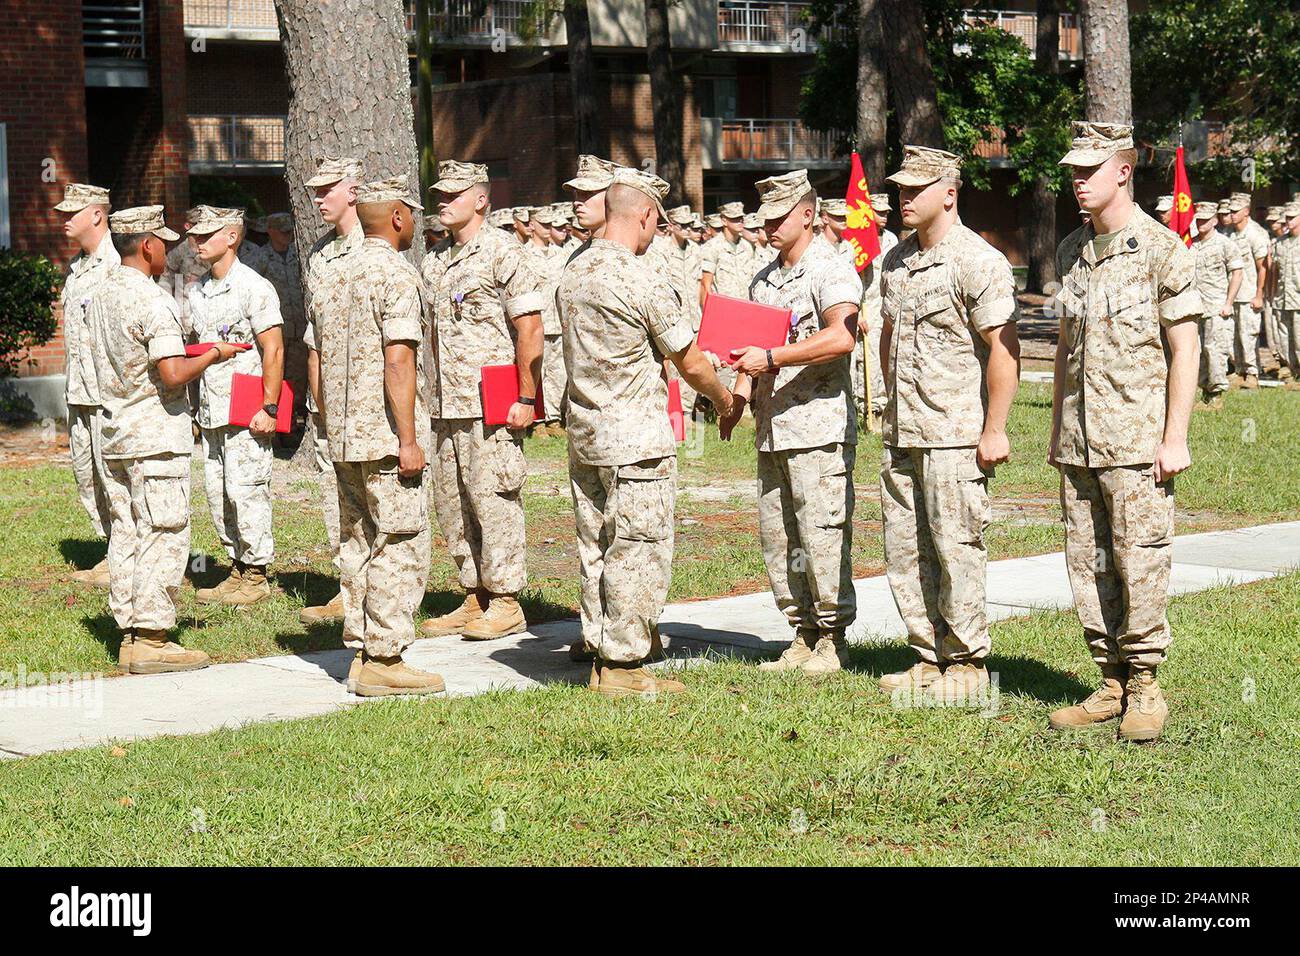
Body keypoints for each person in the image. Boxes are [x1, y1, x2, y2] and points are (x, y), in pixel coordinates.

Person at [1049, 121, 1202, 743]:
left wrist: (1175, 436)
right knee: (1088, 561)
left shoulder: (1163, 249)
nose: (1078, 183)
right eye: (1073, 173)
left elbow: (1184, 347)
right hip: (1081, 438)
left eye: (1089, 171)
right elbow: (1065, 348)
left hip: (1138, 438)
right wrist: (1059, 423)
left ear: (1123, 171)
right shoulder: (1069, 253)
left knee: (1140, 560)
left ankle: (1145, 684)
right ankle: (1110, 680)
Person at [559, 168, 736, 695]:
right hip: (634, 438)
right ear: (643, 215)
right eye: (655, 221)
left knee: (596, 545)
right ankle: (623, 665)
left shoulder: (574, 273)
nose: (655, 230)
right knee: (637, 548)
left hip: (587, 432)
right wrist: (723, 399)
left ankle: (598, 643)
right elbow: (690, 360)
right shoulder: (639, 279)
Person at [873, 147, 1021, 703]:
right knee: (906, 546)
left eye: (916, 190)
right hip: (904, 428)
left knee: (956, 544)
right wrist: (886, 401)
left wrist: (996, 428)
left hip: (955, 430)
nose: (903, 198)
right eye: (901, 189)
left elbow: (1004, 352)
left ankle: (966, 661)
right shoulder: (895, 261)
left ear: (949, 193)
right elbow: (889, 332)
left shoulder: (976, 260)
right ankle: (926, 654)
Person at [88, 206, 242, 673]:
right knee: (164, 532)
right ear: (148, 245)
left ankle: (130, 632)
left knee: (127, 533)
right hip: (154, 435)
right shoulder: (152, 299)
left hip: (114, 432)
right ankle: (152, 638)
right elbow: (172, 372)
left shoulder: (100, 292)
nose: (171, 253)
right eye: (165, 243)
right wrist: (216, 353)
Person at [722, 170, 863, 676]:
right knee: (781, 537)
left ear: (807, 214)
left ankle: (831, 636)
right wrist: (738, 397)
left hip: (817, 427)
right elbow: (748, 351)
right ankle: (801, 632)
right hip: (772, 426)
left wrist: (774, 358)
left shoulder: (832, 268)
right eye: (765, 219)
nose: (769, 228)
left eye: (779, 218)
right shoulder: (765, 278)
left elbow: (841, 338)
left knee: (820, 534)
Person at [320, 175, 444, 697]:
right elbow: (399, 359)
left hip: (344, 435)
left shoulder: (331, 275)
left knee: (357, 541)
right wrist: (409, 438)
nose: (415, 223)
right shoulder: (398, 276)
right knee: (400, 541)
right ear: (397, 217)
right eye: (412, 213)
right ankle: (386, 657)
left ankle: (361, 648)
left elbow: (319, 358)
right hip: (385, 436)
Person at [419, 160, 545, 640]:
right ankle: (473, 594)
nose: (443, 202)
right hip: (445, 401)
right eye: (440, 195)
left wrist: (526, 396)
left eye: (454, 194)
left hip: (491, 399)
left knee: (494, 497)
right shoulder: (434, 259)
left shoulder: (503, 252)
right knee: (451, 500)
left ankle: (507, 598)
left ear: (481, 199)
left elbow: (529, 329)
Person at [185, 205, 285, 606]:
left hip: (247, 411)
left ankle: (257, 574)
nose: (197, 242)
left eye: (206, 234)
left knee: (247, 490)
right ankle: (236, 566)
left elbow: (273, 349)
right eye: (194, 235)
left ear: (231, 236)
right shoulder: (197, 290)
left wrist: (270, 407)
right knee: (218, 492)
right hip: (212, 410)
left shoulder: (254, 286)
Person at [298, 157, 366, 626]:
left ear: (354, 192)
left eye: (328, 190)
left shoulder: (376, 249)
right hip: (328, 401)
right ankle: (348, 585)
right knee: (335, 496)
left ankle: (378, 589)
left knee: (374, 497)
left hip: (365, 398)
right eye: (315, 191)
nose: (318, 199)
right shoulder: (320, 255)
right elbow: (314, 334)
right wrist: (317, 399)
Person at [55, 183, 119, 586]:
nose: (63, 220)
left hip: (107, 392)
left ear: (97, 214)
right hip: (79, 390)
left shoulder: (117, 264)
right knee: (88, 474)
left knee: (114, 475)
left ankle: (125, 554)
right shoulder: (77, 268)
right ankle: (114, 546)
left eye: (71, 213)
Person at [1190, 200, 1244, 410]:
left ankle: (1216, 394)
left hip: (1216, 307)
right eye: (1198, 220)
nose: (1201, 223)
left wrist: (1228, 302)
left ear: (1214, 220)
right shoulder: (1191, 244)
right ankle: (1203, 390)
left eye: (1205, 220)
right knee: (1198, 351)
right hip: (1195, 307)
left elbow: (1237, 273)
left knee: (1215, 350)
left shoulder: (1225, 244)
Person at [261, 211, 308, 427]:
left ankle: (293, 422)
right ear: (270, 231)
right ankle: (278, 424)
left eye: (290, 231)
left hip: (299, 328)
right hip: (276, 330)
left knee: (297, 379)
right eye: (283, 232)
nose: (288, 236)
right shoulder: (259, 259)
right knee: (277, 377)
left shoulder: (299, 255)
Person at [1227, 192, 1269, 389]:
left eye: (1236, 211)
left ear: (1246, 211)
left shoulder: (1255, 233)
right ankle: (1239, 370)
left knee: (1248, 335)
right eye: (1230, 211)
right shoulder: (1230, 234)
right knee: (1234, 335)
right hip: (1232, 295)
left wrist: (1259, 294)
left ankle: (1252, 373)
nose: (1232, 215)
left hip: (1248, 294)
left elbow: (1263, 266)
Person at [1273, 201, 1300, 389]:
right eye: (1287, 218)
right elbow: (1275, 270)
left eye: (1292, 217)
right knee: (1285, 339)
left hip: (1298, 298)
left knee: (1299, 338)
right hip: (1283, 297)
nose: (1288, 221)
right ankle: (1293, 372)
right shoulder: (1280, 243)